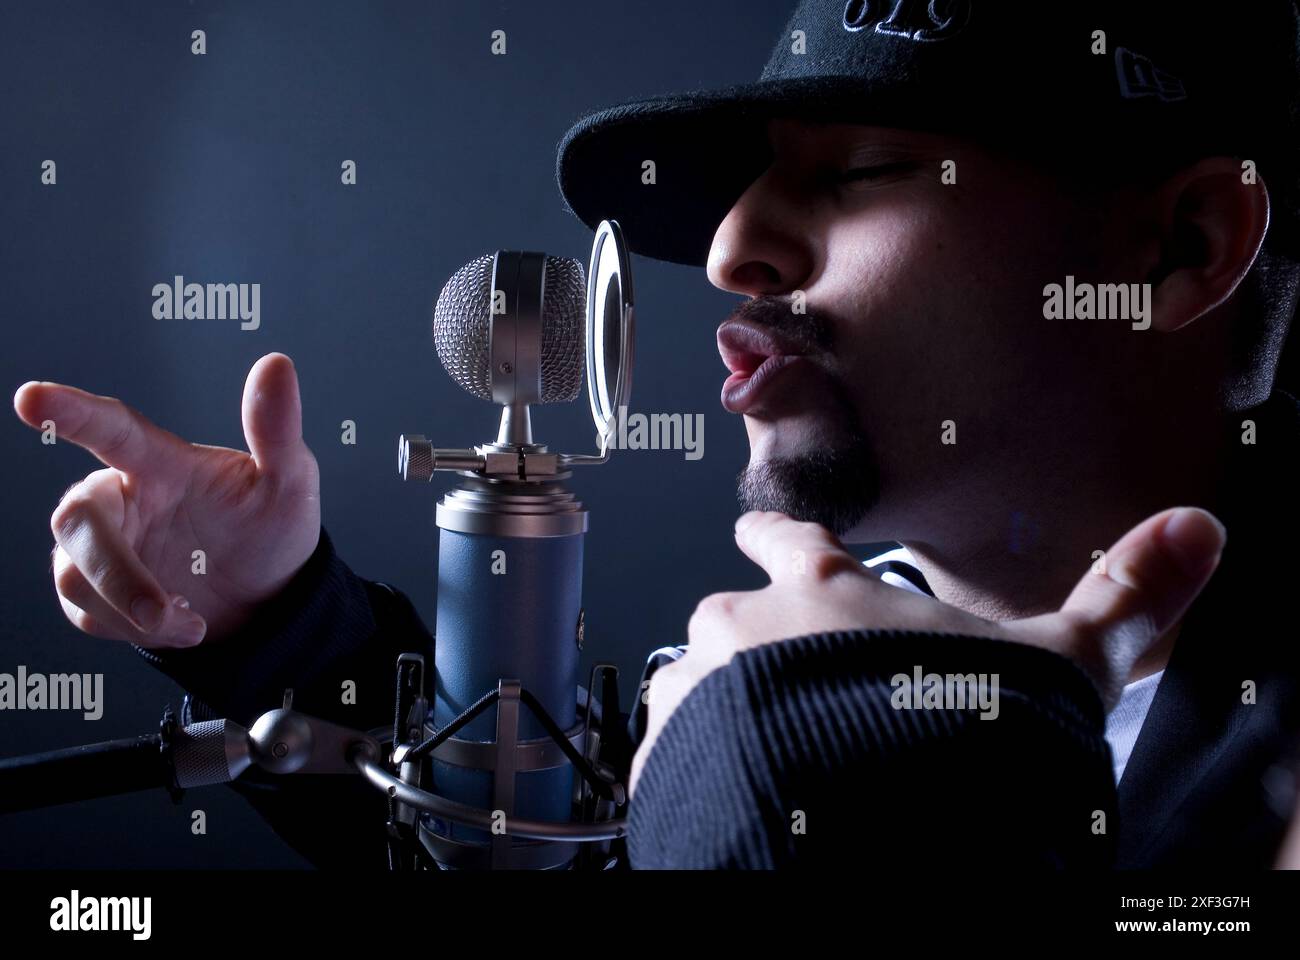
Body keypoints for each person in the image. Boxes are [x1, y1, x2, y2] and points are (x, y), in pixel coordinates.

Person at [12, 0, 1300, 868]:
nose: (732, 248)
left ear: (1181, 247)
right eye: (751, 183)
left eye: (859, 170)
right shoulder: (766, 668)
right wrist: (270, 619)